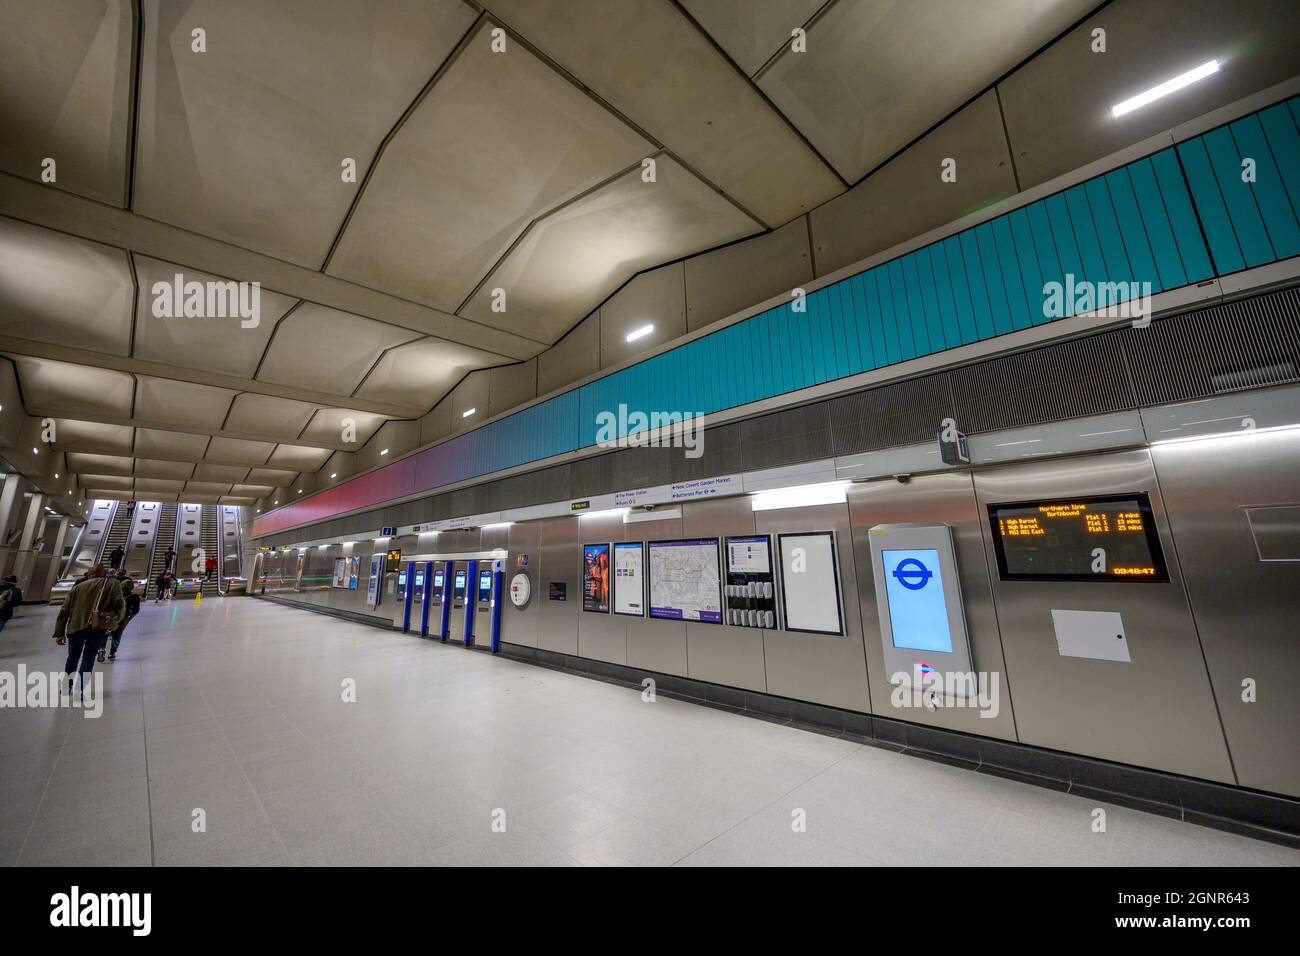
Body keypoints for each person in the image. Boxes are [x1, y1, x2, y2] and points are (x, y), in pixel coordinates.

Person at [53, 564, 124, 694]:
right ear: (103, 574)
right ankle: (80, 688)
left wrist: (59, 632)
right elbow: (120, 603)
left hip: (75, 626)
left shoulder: (77, 588)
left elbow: (64, 610)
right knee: (89, 656)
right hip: (98, 626)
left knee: (73, 657)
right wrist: (117, 620)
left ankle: (66, 686)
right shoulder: (112, 584)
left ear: (89, 575)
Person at [100, 578, 140, 662]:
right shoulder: (134, 597)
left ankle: (101, 649)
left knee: (104, 633)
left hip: (109, 617)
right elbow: (135, 610)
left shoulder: (113, 594)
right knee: (117, 634)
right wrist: (129, 618)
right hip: (123, 618)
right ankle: (112, 653)